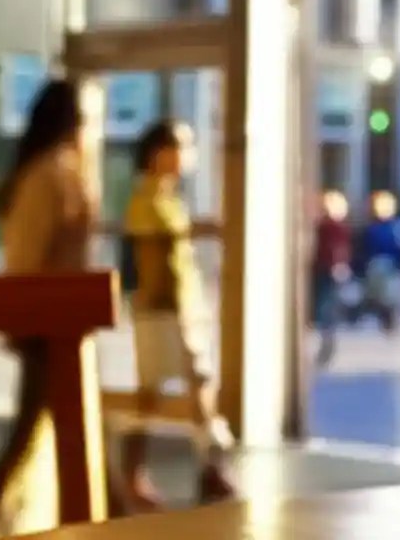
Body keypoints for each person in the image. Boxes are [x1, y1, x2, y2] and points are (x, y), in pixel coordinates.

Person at [0, 79, 115, 539]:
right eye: (88, 118)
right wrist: (28, 312)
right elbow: (28, 254)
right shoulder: (50, 174)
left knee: (54, 429)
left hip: (59, 321)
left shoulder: (60, 170)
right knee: (42, 431)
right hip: (48, 322)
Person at [119, 119, 236, 509]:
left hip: (180, 309)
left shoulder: (168, 199)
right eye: (180, 146)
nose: (187, 155)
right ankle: (135, 472)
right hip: (162, 313)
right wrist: (170, 313)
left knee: (193, 388)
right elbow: (153, 263)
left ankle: (208, 469)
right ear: (158, 152)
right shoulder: (146, 202)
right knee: (160, 389)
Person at [356, 190, 400, 333]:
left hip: (390, 265)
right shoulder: (373, 229)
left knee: (389, 296)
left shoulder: (396, 227)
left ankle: (386, 318)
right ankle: (379, 315)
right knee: (379, 295)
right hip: (378, 264)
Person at [311, 190, 353, 367]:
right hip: (329, 271)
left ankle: (327, 348)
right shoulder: (333, 227)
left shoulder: (329, 227)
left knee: (327, 311)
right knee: (327, 311)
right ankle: (327, 347)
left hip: (326, 271)